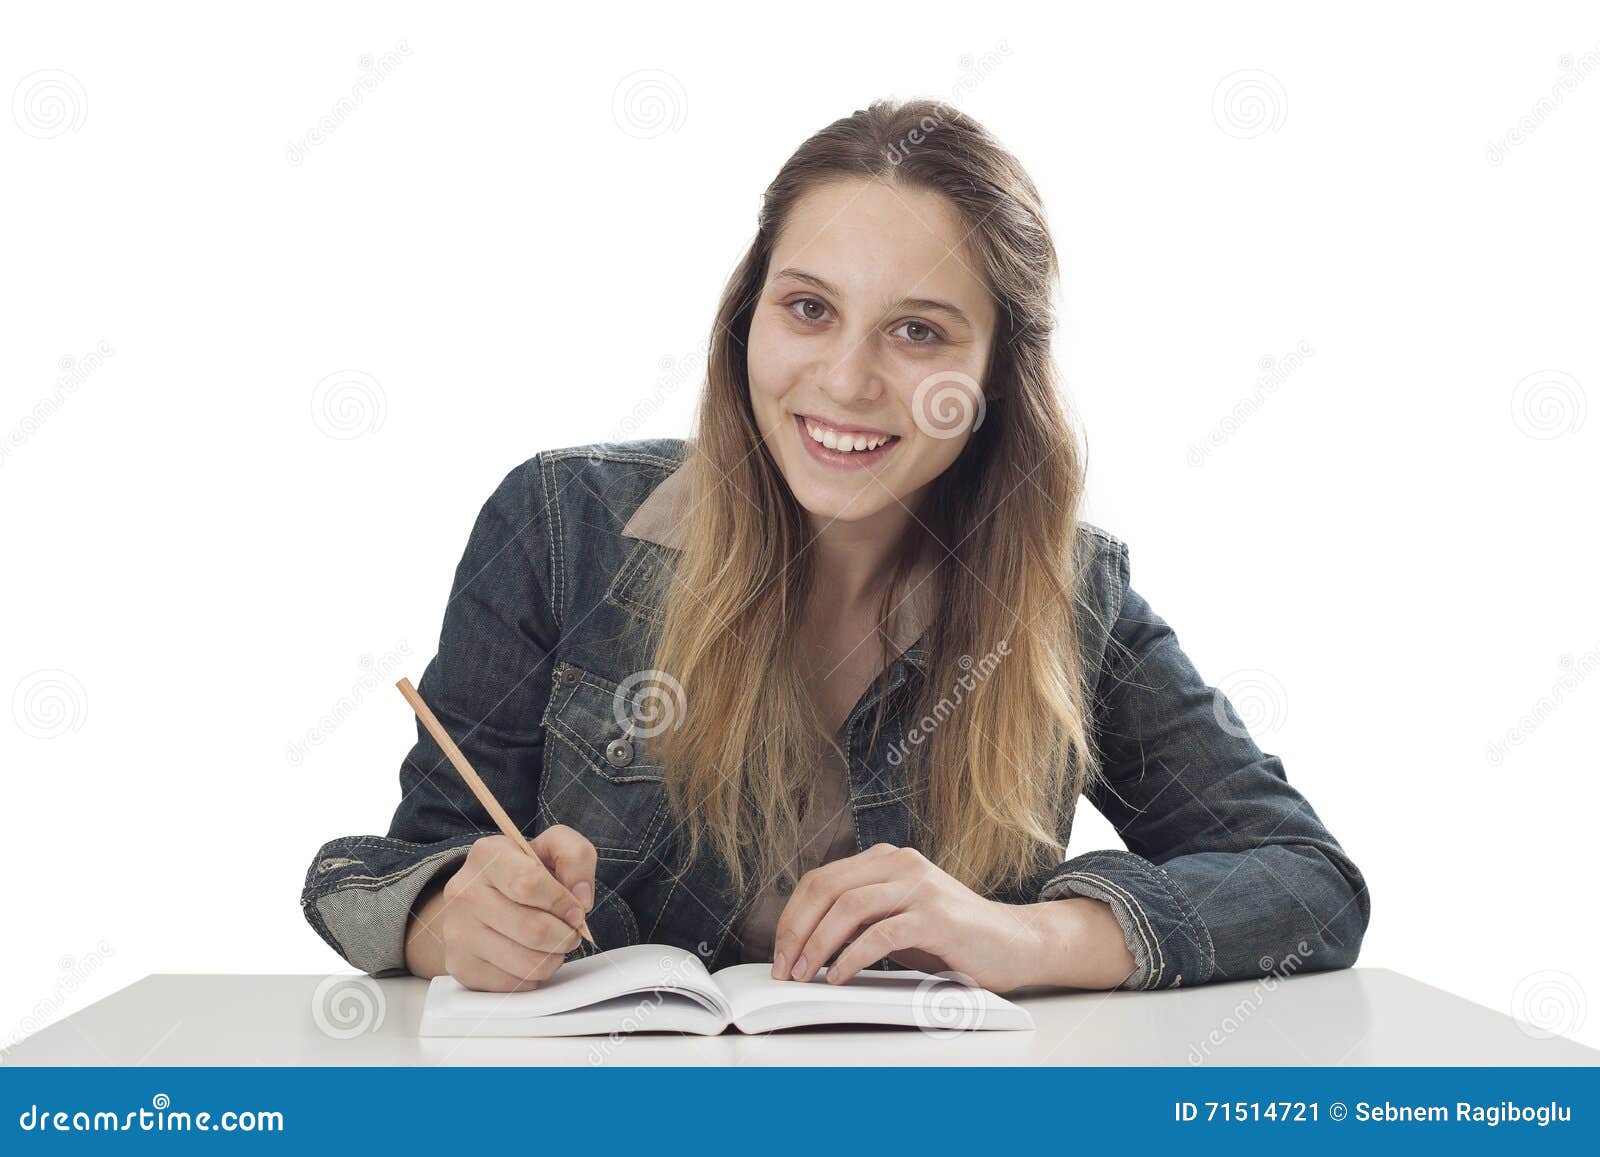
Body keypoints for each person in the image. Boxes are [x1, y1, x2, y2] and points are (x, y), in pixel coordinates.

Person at [301, 98, 1369, 995]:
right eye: (809, 308)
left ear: (998, 374)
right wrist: (450, 920)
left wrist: (1024, 937)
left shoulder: (1070, 595)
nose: (847, 381)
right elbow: (391, 864)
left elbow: (1308, 881)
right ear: (747, 320)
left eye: (919, 331)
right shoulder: (557, 525)